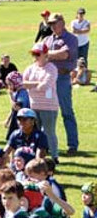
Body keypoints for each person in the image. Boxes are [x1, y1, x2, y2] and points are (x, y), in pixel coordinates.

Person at [43, 12, 79, 156]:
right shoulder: (47, 39)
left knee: (66, 112)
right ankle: (45, 145)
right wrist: (49, 55)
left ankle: (72, 145)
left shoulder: (71, 38)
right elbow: (38, 56)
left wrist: (46, 54)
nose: (52, 26)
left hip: (62, 78)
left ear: (62, 23)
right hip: (48, 79)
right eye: (50, 24)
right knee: (47, 112)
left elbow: (64, 54)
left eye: (54, 23)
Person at [21, 43, 58, 161]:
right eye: (33, 54)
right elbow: (22, 83)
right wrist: (37, 84)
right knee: (34, 133)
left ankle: (54, 156)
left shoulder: (51, 68)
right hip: (34, 105)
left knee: (48, 132)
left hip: (49, 106)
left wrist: (31, 85)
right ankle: (35, 156)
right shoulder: (30, 68)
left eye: (37, 54)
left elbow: (45, 85)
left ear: (45, 54)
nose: (35, 56)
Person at [3, 71, 29, 140]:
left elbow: (17, 107)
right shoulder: (17, 92)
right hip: (17, 120)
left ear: (16, 83)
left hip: (23, 120)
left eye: (10, 84)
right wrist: (8, 119)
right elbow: (13, 109)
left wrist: (10, 96)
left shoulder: (22, 93)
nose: (9, 87)